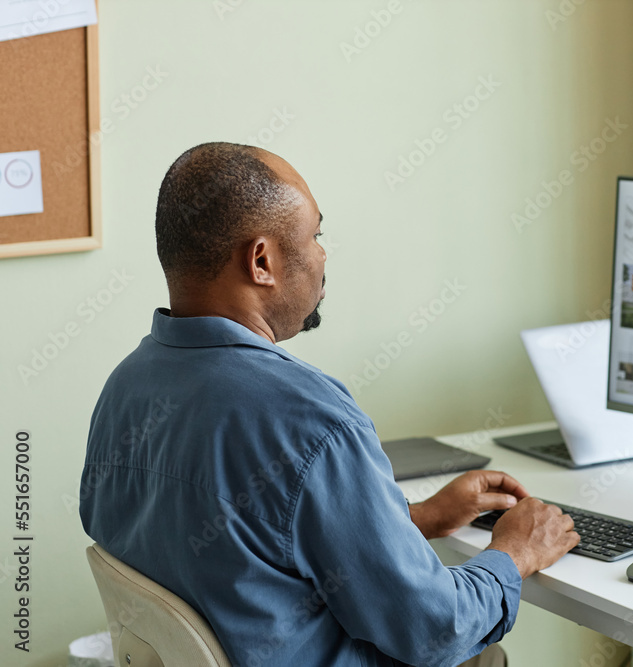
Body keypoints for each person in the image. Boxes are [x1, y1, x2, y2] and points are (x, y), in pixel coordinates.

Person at [79, 142, 580, 667]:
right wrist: (514, 552)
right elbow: (436, 631)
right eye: (316, 234)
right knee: (484, 656)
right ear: (262, 261)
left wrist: (414, 520)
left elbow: (242, 549)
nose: (322, 254)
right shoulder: (312, 420)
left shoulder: (123, 391)